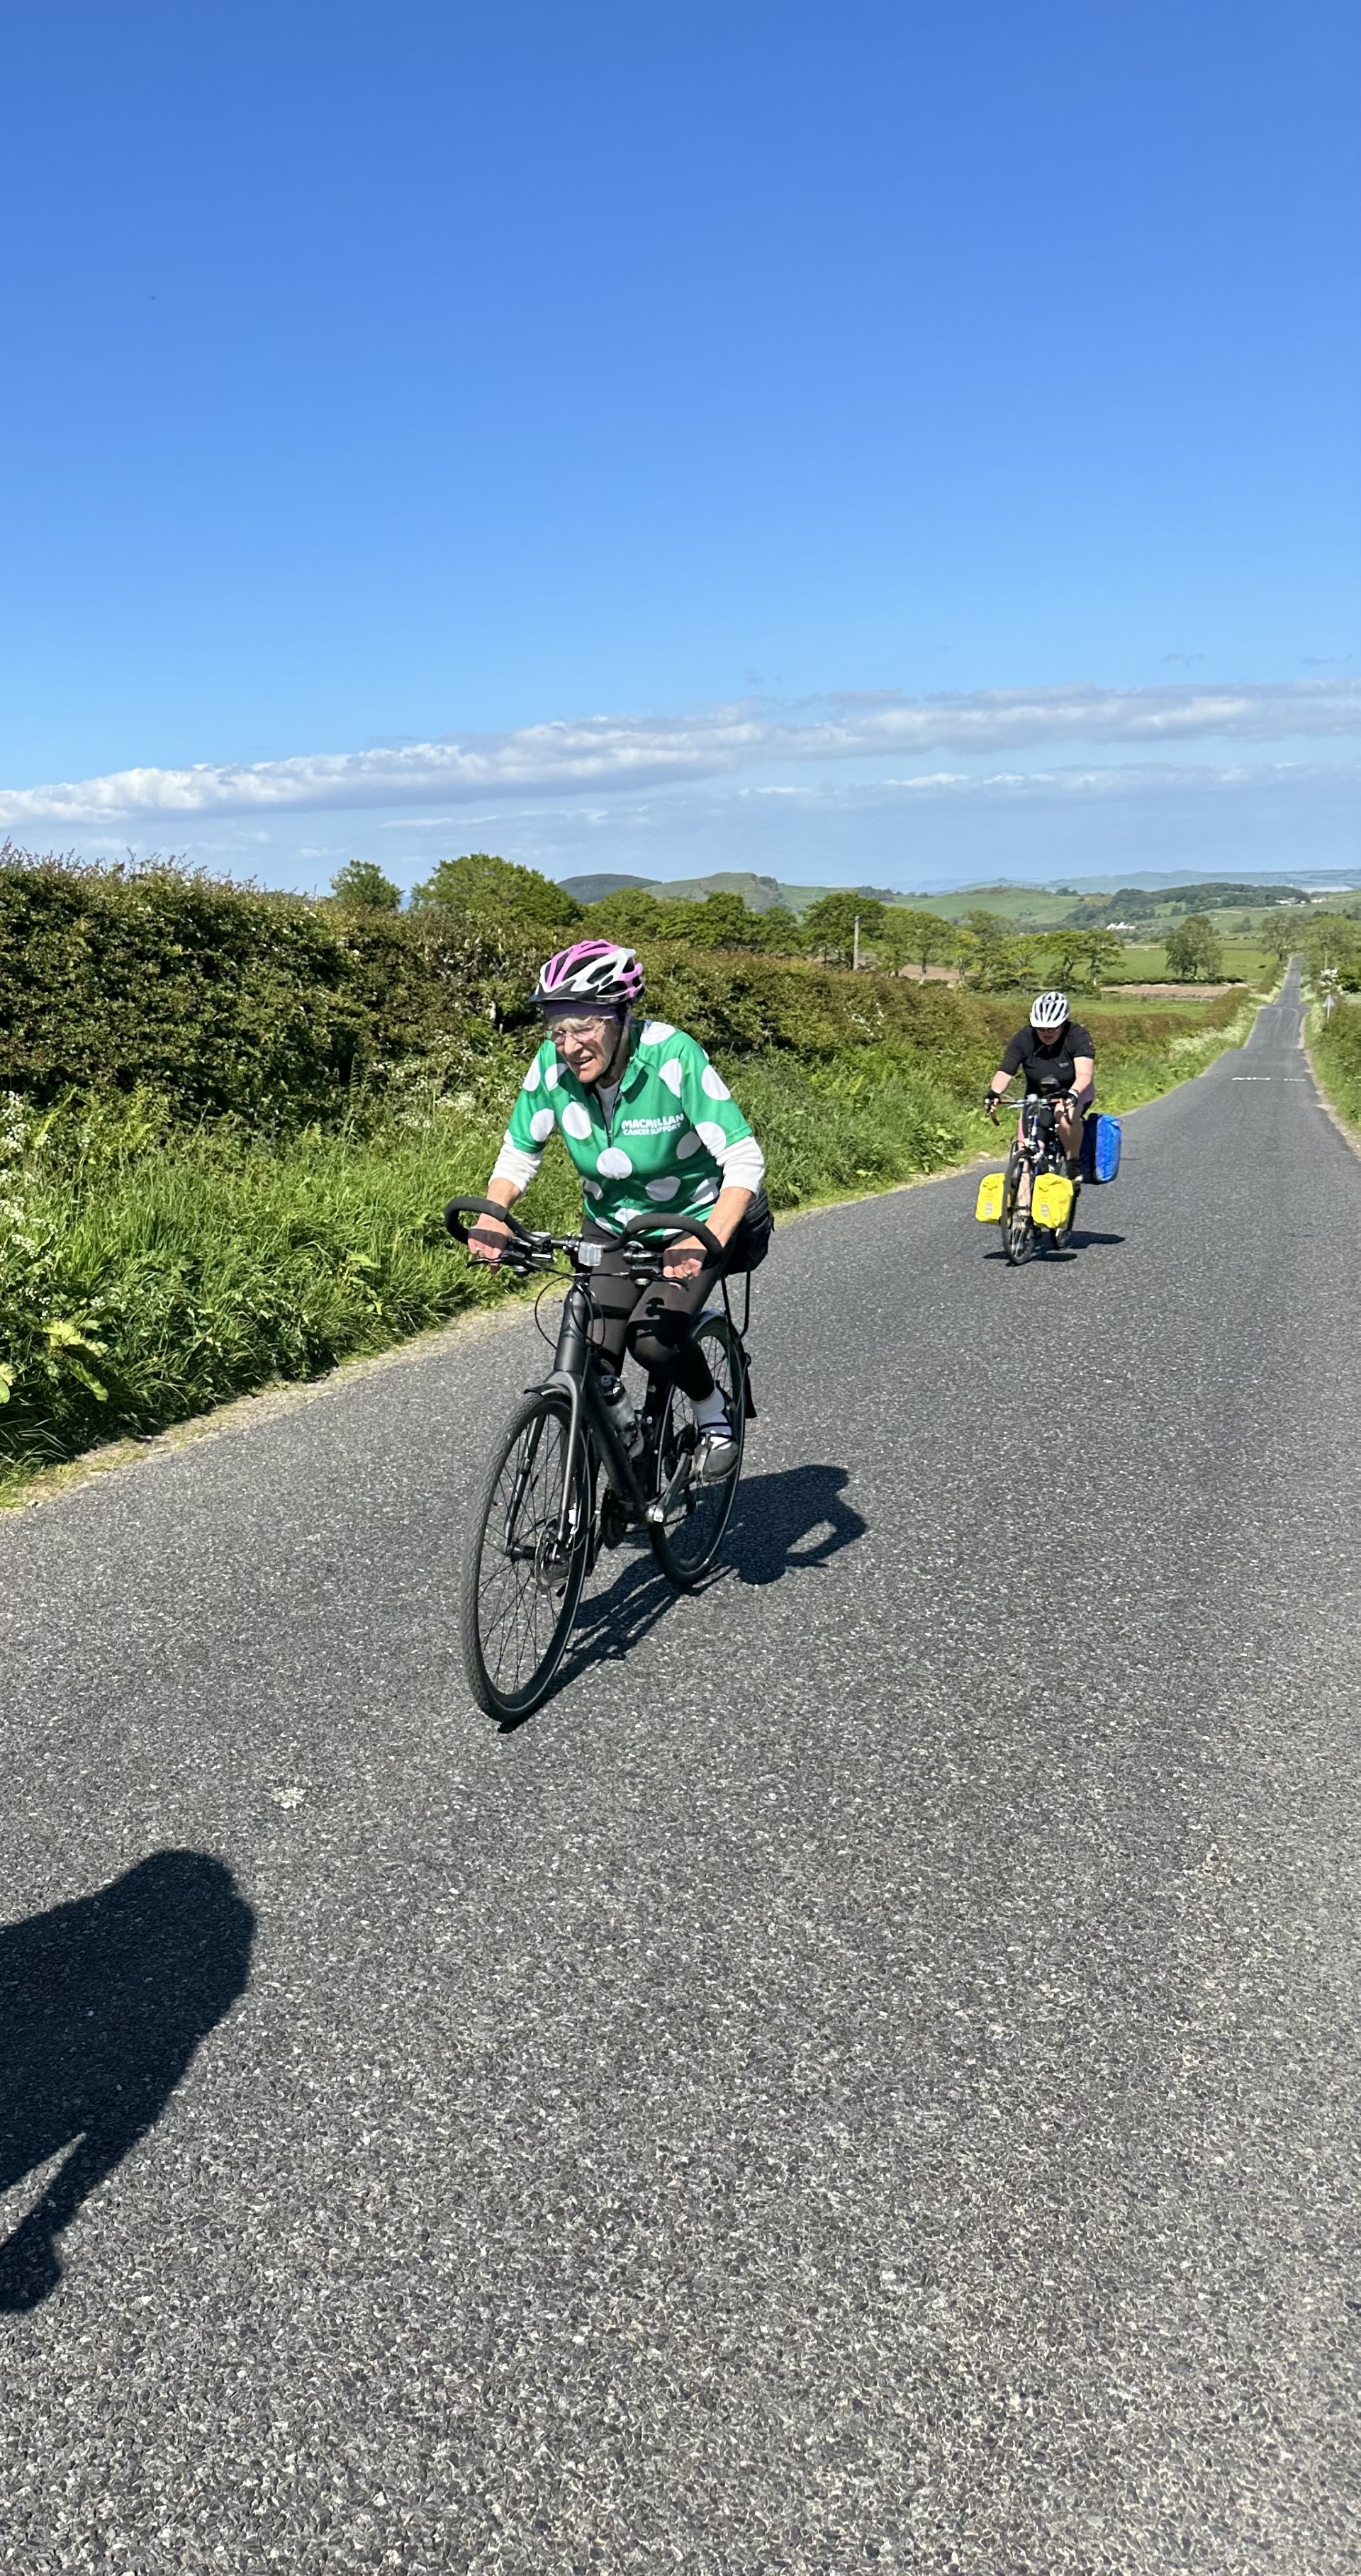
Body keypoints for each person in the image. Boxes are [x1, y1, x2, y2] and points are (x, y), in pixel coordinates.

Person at [469, 939, 770, 1480]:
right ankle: (584, 1513)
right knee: (593, 1365)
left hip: (693, 1218)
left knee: (653, 1342)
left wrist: (702, 1239)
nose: (569, 1044)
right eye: (557, 1028)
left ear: (621, 1016)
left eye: (584, 1025)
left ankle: (712, 1412)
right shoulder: (550, 1067)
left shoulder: (673, 1056)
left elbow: (744, 1159)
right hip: (612, 1228)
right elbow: (520, 1150)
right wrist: (494, 1212)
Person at [982, 990, 1095, 1181]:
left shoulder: (1077, 1036)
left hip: (1074, 1090)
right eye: (1041, 1028)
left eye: (1052, 1028)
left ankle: (1072, 1161)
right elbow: (1005, 1071)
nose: (1046, 1033)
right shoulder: (1024, 1038)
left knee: (1064, 1114)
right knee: (1025, 1149)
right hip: (1037, 1094)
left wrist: (1073, 1094)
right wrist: (994, 1092)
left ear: (1063, 1024)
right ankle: (1021, 1209)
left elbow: (1085, 1074)